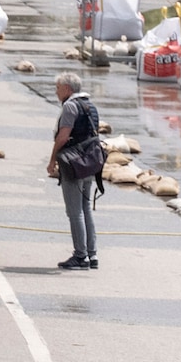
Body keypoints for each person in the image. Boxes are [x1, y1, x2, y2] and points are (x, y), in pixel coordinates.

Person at [47, 73, 105, 270]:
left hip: (73, 164)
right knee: (85, 209)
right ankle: (92, 254)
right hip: (89, 163)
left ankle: (80, 256)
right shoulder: (90, 106)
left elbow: (63, 137)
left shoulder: (70, 106)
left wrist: (52, 159)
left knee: (74, 211)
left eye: (58, 87)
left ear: (67, 89)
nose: (56, 91)